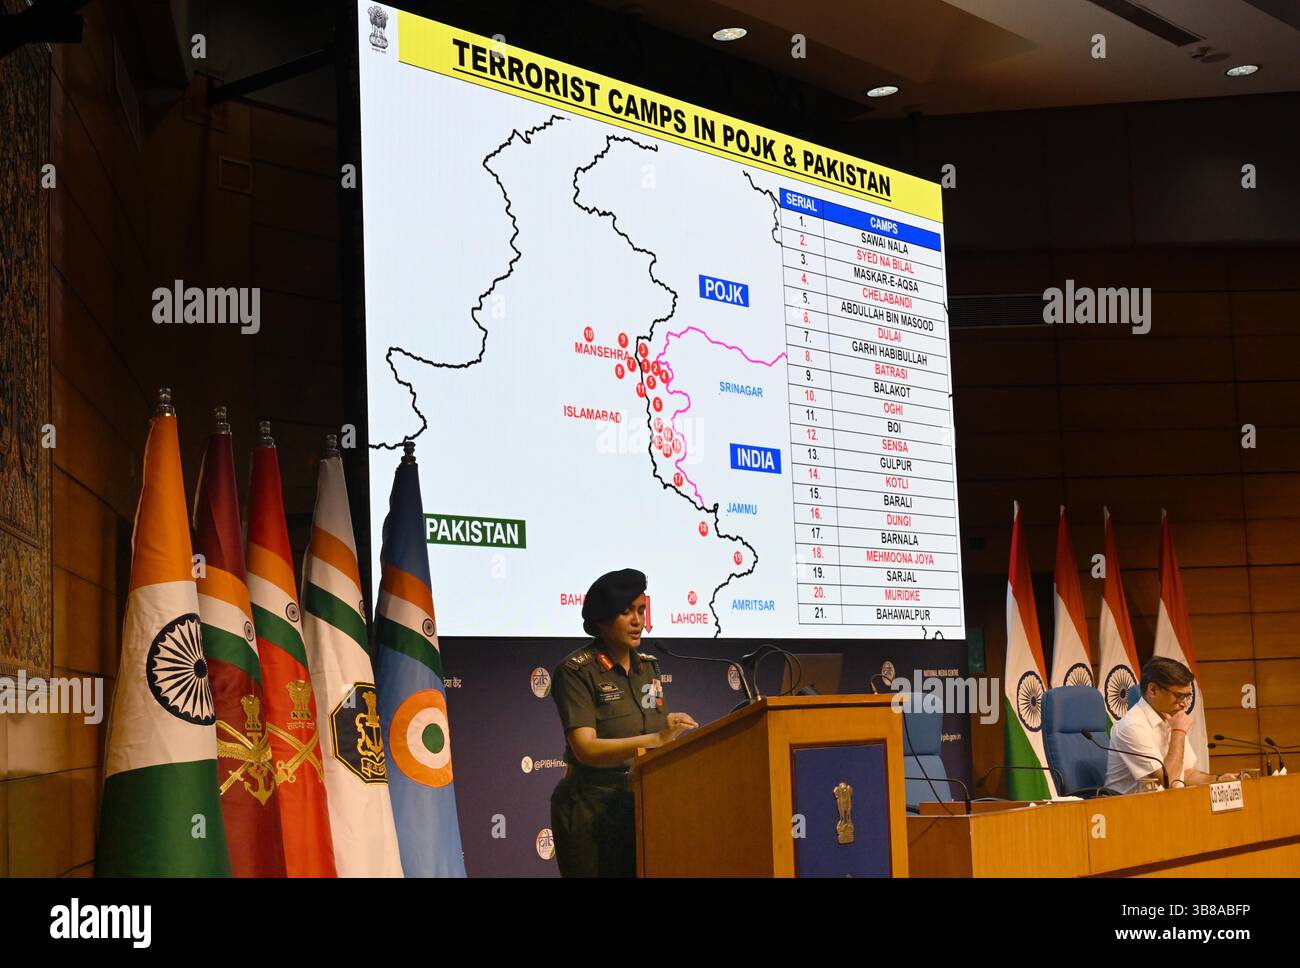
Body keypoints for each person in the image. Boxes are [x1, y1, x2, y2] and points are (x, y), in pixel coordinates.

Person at [549, 568, 698, 877]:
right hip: (590, 807)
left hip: (642, 802)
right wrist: (655, 740)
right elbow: (585, 748)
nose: (638, 620)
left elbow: (652, 727)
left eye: (641, 610)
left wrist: (667, 728)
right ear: (603, 619)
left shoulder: (648, 667)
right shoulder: (576, 671)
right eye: (626, 612)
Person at [1105, 656, 1238, 794]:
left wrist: (1219, 780)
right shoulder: (1132, 726)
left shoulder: (1170, 717)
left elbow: (1187, 774)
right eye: (1179, 696)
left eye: (1187, 696)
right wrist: (1179, 732)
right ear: (1153, 690)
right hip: (1128, 809)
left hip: (1163, 806)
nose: (1185, 704)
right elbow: (1169, 782)